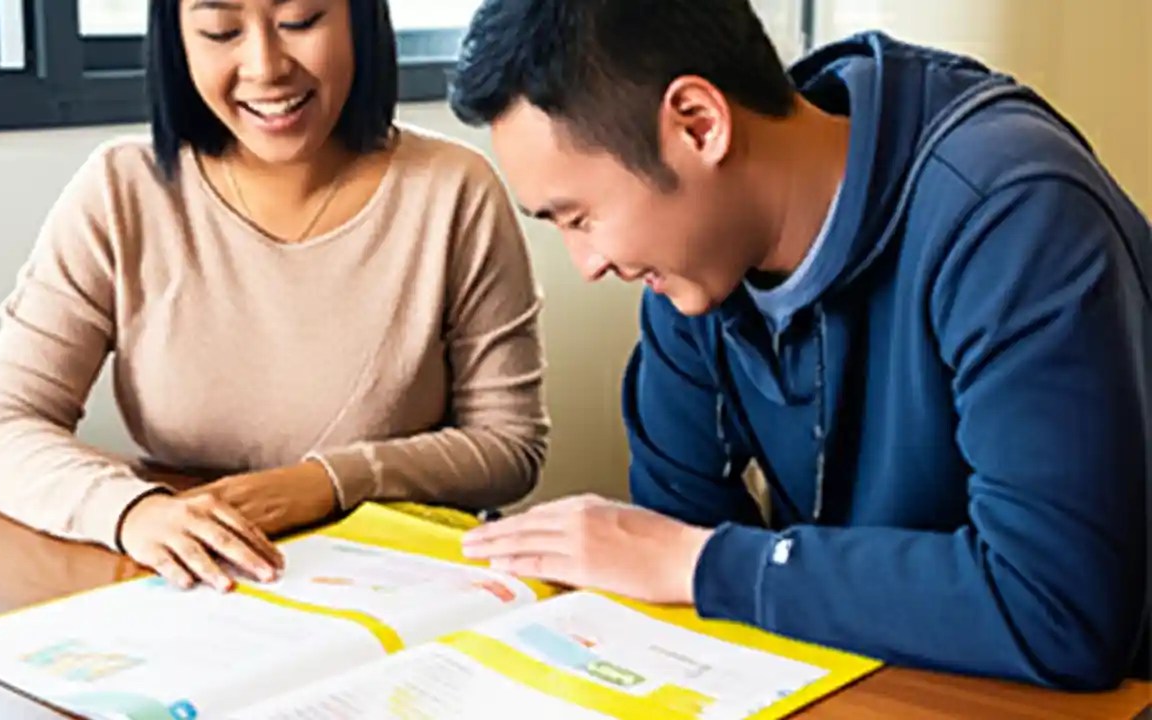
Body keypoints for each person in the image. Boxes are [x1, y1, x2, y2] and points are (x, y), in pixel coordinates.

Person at [451, 0, 1150, 690]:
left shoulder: (1012, 213)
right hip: (874, 677)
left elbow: (1059, 608)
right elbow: (674, 531)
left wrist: (706, 565)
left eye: (580, 218)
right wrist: (690, 565)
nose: (588, 264)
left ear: (699, 124)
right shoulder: (698, 271)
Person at [0, 0, 548, 594]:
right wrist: (132, 511)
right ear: (177, 41)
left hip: (394, 583)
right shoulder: (121, 190)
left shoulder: (452, 190)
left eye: (300, 23)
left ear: (360, 21)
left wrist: (328, 482)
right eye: (221, 32)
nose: (265, 67)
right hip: (188, 591)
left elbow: (508, 446)